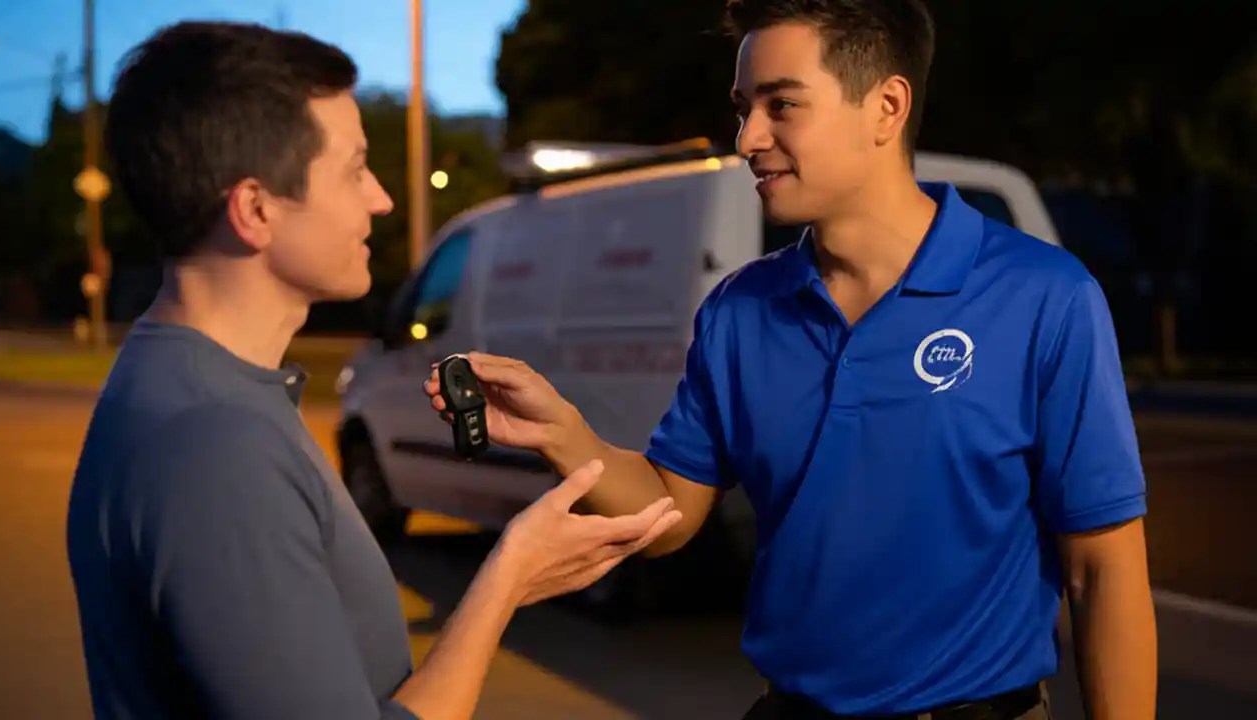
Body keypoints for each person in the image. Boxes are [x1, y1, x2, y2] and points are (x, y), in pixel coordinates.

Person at [424, 0, 1157, 718]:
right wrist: (562, 432)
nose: (747, 137)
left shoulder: (1044, 296)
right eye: (744, 107)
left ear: (886, 107)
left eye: (782, 106)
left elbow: (1103, 570)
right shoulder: (740, 310)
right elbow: (672, 513)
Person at [65, 21, 682, 720]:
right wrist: (507, 579)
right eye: (355, 169)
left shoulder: (182, 385)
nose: (381, 199)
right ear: (256, 209)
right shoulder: (215, 445)